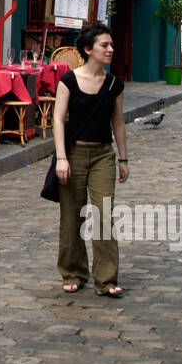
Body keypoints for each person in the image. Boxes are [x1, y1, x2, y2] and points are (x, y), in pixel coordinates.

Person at [51, 24, 128, 297]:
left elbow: (118, 122)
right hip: (73, 153)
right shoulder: (68, 80)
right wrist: (61, 157)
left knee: (104, 214)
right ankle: (73, 271)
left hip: (103, 155)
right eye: (104, 45)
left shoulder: (114, 84)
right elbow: (58, 119)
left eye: (111, 45)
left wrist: (124, 158)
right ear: (88, 49)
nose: (110, 49)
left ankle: (106, 278)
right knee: (72, 215)